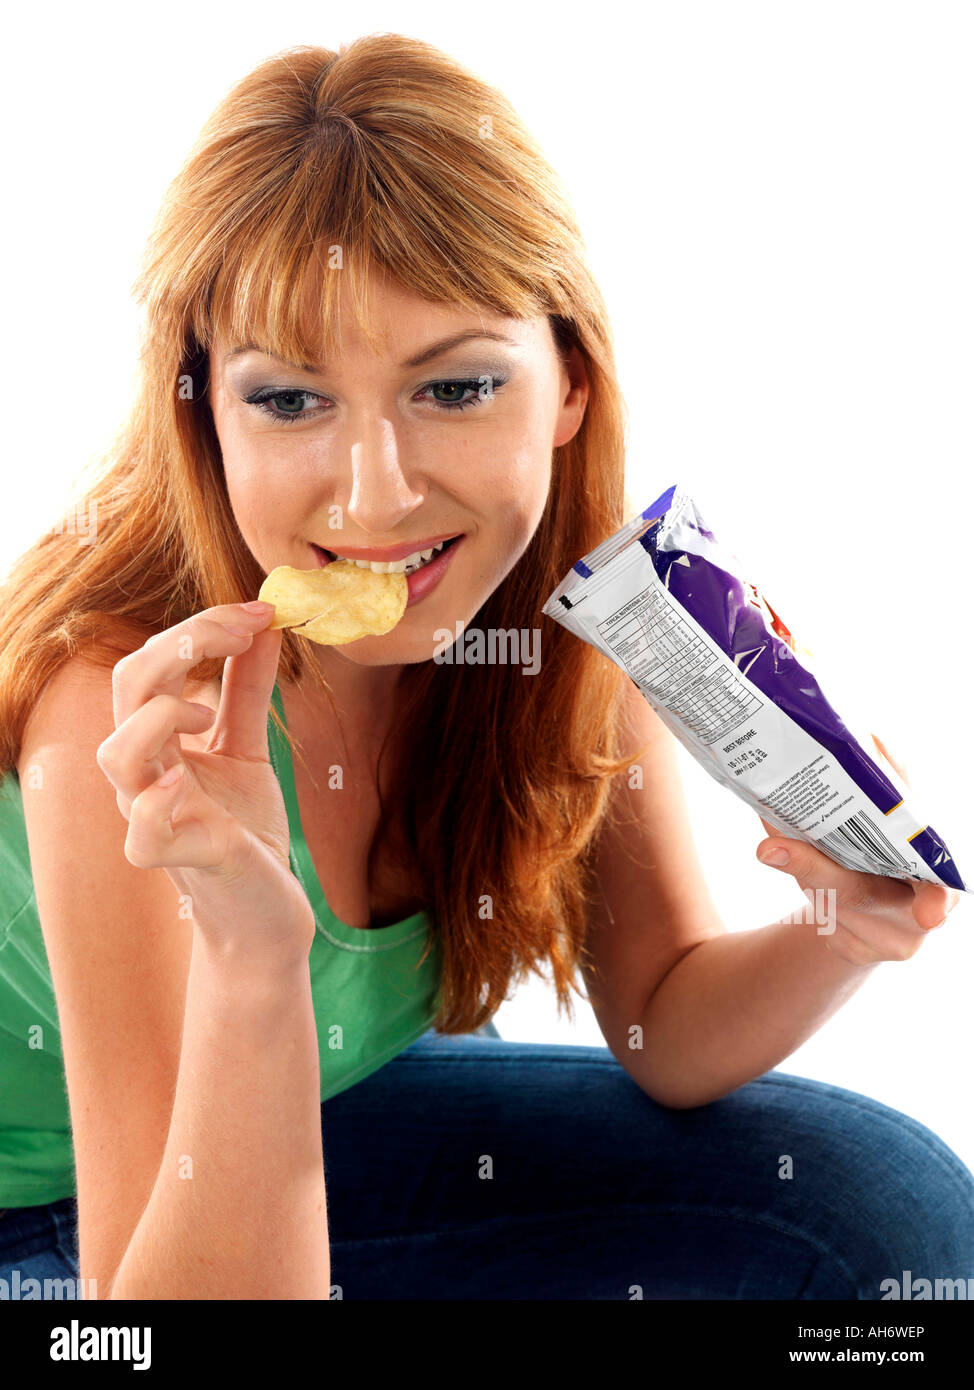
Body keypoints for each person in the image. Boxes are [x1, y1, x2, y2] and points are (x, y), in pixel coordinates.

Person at [0, 34, 970, 1302]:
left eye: (453, 386)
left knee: (881, 1215)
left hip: (338, 1099)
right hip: (76, 1232)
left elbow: (662, 1020)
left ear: (568, 383)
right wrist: (249, 951)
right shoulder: (119, 712)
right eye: (289, 401)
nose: (376, 490)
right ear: (203, 412)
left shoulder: (559, 618)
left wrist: (842, 927)